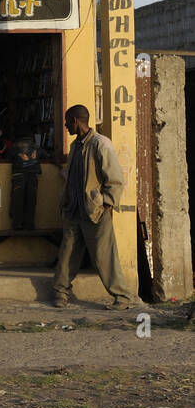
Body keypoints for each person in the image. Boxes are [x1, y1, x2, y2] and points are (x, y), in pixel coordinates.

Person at [52, 104, 141, 310]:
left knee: (104, 256)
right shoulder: (75, 146)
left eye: (67, 121)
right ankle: (61, 292)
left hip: (95, 210)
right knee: (67, 253)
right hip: (74, 209)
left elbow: (116, 178)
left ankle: (122, 297)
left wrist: (106, 202)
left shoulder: (101, 144)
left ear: (75, 120)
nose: (65, 126)